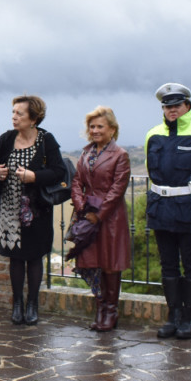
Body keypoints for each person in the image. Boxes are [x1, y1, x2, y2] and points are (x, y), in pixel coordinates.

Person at [144, 83, 191, 340]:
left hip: (189, 209)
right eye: (167, 106)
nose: (172, 110)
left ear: (187, 106)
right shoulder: (152, 134)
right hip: (161, 208)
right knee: (168, 265)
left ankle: (189, 319)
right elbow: (152, 171)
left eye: (176, 105)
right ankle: (173, 317)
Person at [0, 95, 67, 326]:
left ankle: (32, 304)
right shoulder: (5, 139)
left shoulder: (46, 140)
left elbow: (59, 172)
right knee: (15, 258)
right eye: (13, 112)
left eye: (19, 113)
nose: (14, 117)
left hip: (36, 210)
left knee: (34, 257)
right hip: (10, 208)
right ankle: (17, 304)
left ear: (34, 118)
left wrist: (34, 176)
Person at [70, 106, 132, 332]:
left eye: (99, 126)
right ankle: (100, 308)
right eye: (92, 126)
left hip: (111, 219)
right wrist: (81, 208)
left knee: (110, 265)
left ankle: (111, 311)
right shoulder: (86, 153)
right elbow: (77, 182)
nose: (95, 130)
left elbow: (117, 190)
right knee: (94, 264)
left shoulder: (121, 155)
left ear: (112, 129)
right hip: (88, 216)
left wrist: (99, 215)